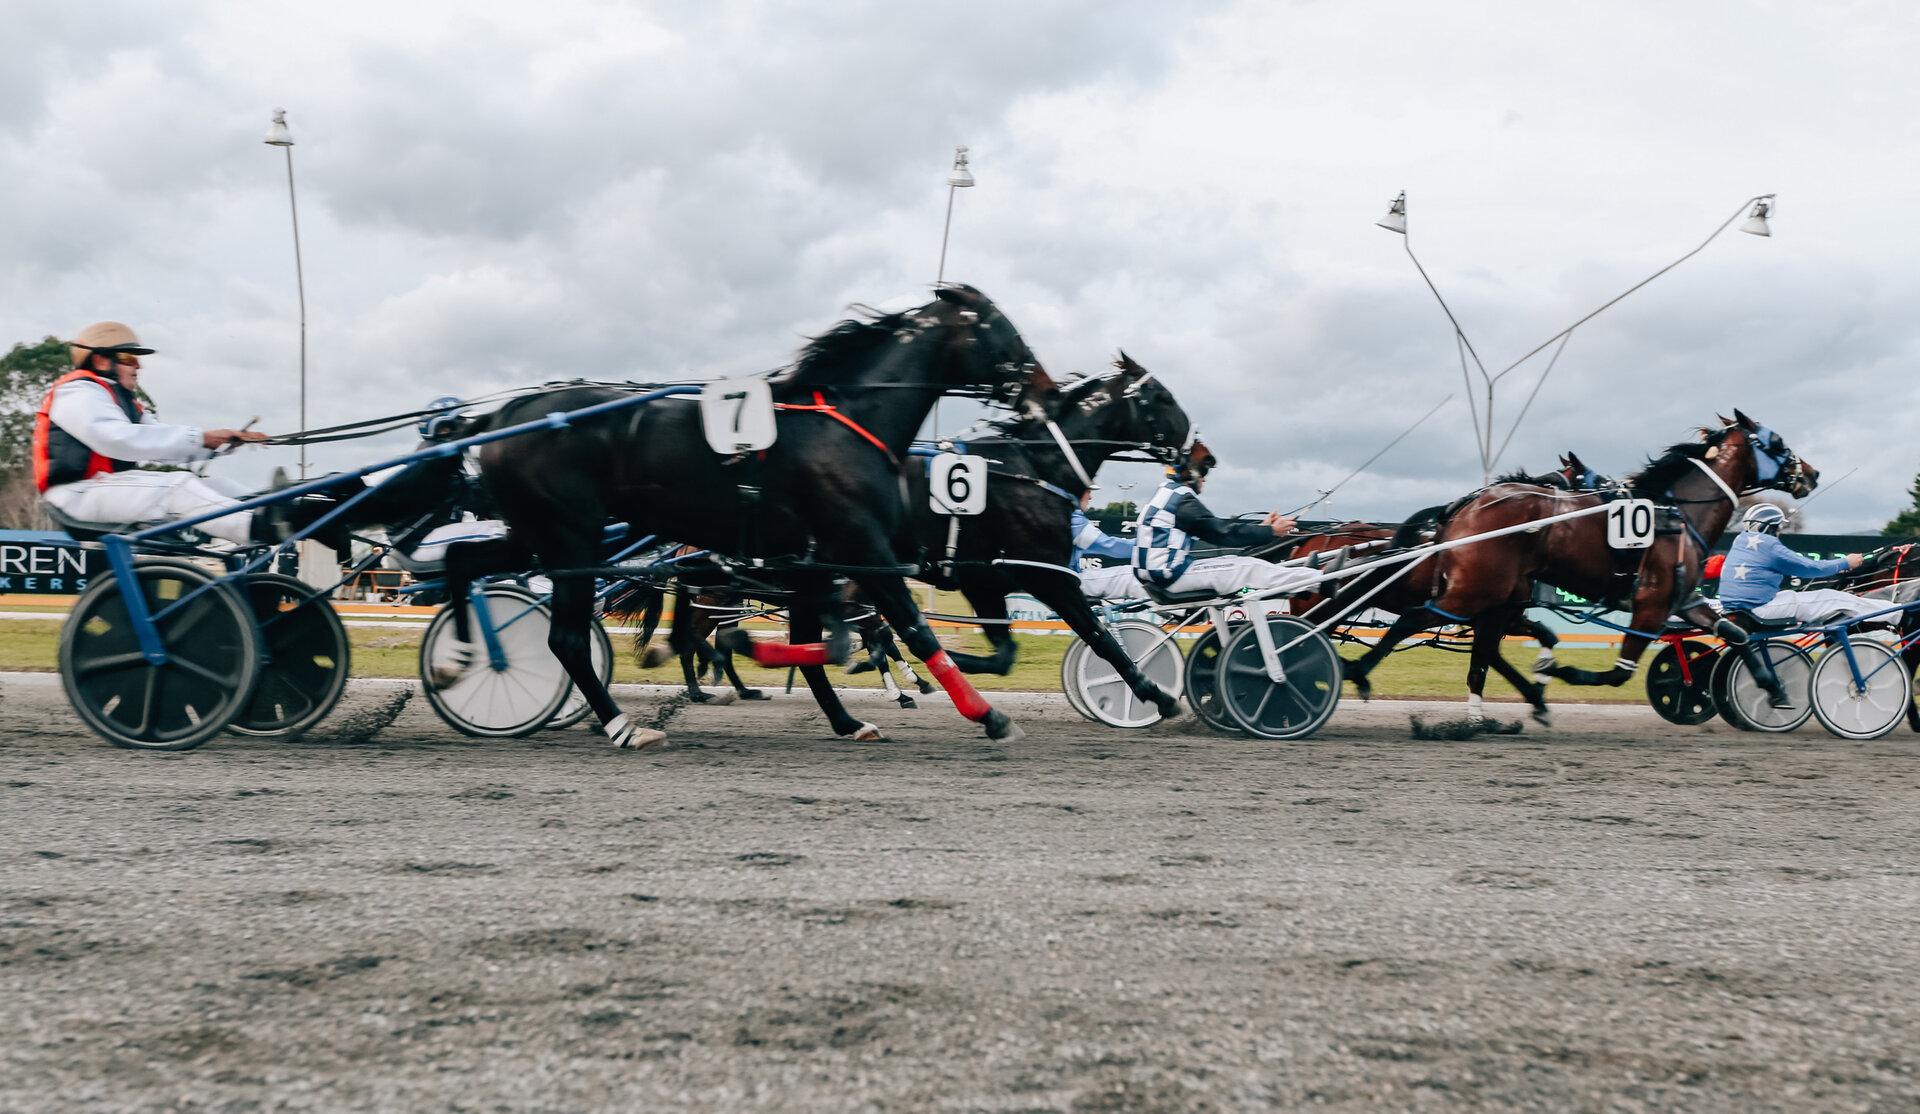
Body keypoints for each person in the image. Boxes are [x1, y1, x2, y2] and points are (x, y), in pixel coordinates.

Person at [31, 322, 278, 545]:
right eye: (129, 357)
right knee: (178, 487)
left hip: (101, 491)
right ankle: (263, 527)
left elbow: (159, 442)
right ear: (101, 361)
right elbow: (117, 439)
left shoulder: (123, 401)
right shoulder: (77, 392)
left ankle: (281, 507)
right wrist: (201, 438)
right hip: (77, 495)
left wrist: (220, 441)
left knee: (218, 486)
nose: (138, 365)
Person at [1121, 442, 1318, 599]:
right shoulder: (1182, 499)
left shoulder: (1166, 493)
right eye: (1203, 472)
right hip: (1169, 577)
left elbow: (1220, 529)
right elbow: (1223, 532)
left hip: (1159, 577)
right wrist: (1271, 531)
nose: (1205, 479)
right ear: (1192, 472)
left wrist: (1263, 528)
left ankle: (1302, 585)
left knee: (1233, 563)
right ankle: (1318, 581)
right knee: (1248, 567)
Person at [1717, 503, 1880, 627]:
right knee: (1833, 597)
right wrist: (1846, 562)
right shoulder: (1769, 544)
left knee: (1789, 594)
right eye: (1779, 527)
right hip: (1758, 610)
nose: (1780, 531)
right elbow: (1812, 568)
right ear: (1773, 528)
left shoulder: (1740, 540)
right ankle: (1898, 613)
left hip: (1735, 607)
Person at [1072, 490, 1142, 599]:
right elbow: (1110, 546)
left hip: (1061, 578)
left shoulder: (1057, 513)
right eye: (1088, 491)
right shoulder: (1072, 519)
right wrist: (1149, 547)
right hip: (1067, 581)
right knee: (1134, 575)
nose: (1090, 497)